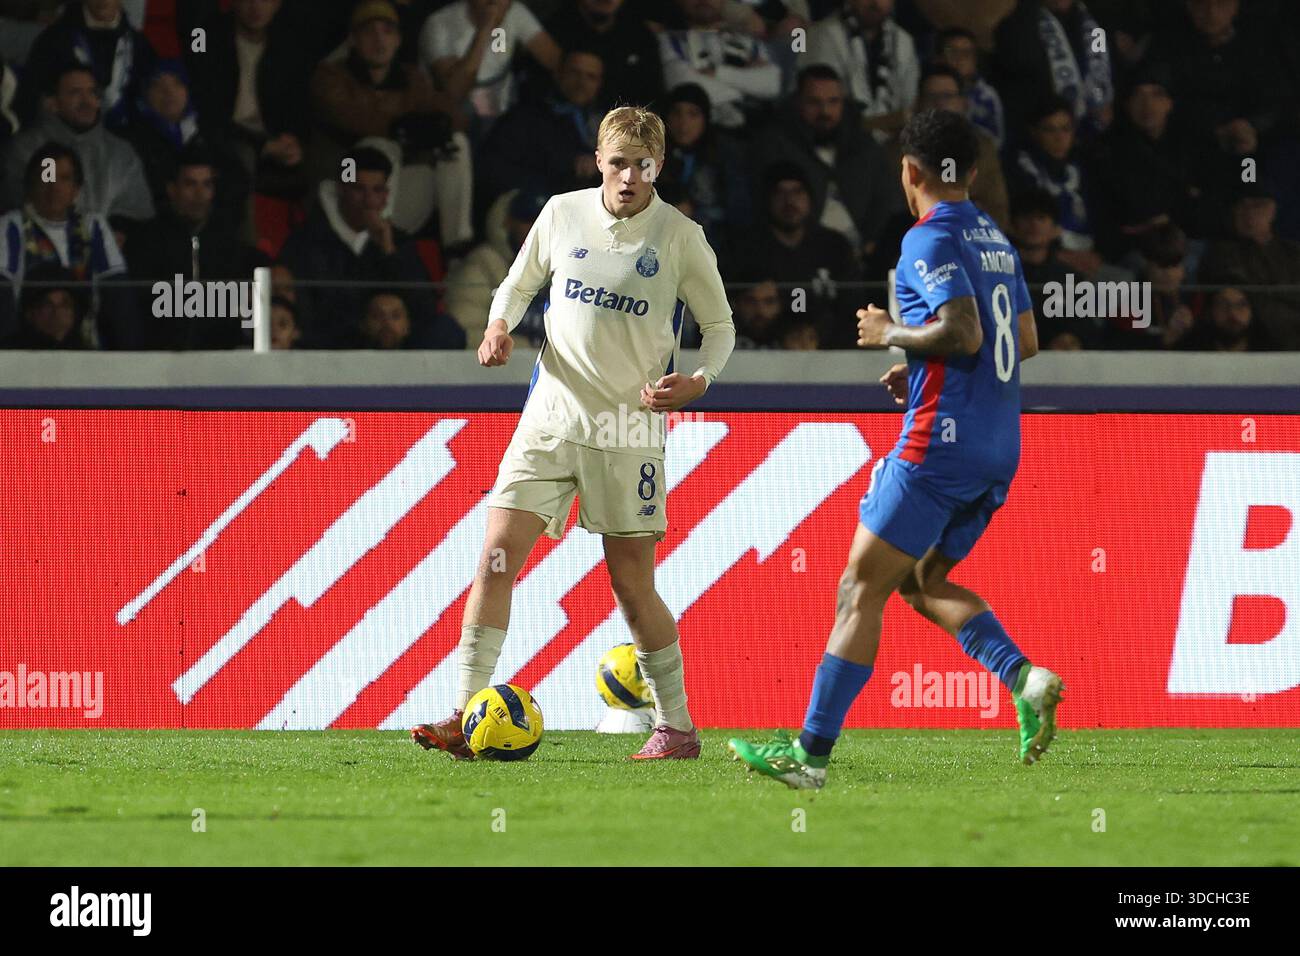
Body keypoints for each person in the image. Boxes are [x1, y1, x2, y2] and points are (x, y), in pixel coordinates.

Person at [728, 110, 1063, 789]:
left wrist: (891, 334)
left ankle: (810, 758)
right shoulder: (996, 240)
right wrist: (920, 365)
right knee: (919, 583)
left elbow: (964, 334)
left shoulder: (927, 239)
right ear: (969, 172)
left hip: (939, 447)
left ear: (909, 173)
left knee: (858, 590)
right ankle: (1024, 680)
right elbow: (1021, 342)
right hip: (998, 447)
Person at [410, 105, 736, 761]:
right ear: (598, 162)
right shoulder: (562, 213)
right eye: (617, 163)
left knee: (630, 584)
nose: (628, 177)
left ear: (659, 167)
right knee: (496, 556)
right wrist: (499, 324)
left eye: (642, 165)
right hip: (551, 419)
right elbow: (516, 282)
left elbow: (721, 327)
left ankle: (676, 727)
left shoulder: (679, 236)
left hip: (627, 431)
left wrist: (699, 379)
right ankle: (466, 714)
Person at [278, 146, 465, 348]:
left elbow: (423, 307)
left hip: (393, 346)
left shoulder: (398, 242)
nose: (368, 201)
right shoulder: (306, 242)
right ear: (342, 189)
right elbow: (302, 314)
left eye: (377, 190)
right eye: (359, 189)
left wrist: (390, 253)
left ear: (386, 196)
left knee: (445, 330)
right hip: (333, 347)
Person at [3, 63, 155, 227]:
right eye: (75, 93)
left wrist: (118, 231)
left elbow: (136, 211)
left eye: (92, 92)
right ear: (52, 103)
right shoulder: (28, 149)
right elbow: (24, 204)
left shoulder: (120, 152)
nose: (86, 101)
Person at [806, 0, 920, 143]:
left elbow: (908, 102)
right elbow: (818, 102)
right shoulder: (822, 35)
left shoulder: (904, 42)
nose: (876, 3)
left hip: (890, 145)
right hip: (836, 142)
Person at [658, 0, 781, 131]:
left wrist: (717, 73)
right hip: (704, 132)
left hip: (760, 129)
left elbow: (772, 84)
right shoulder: (668, 40)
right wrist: (748, 83)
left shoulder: (747, 38)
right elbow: (688, 84)